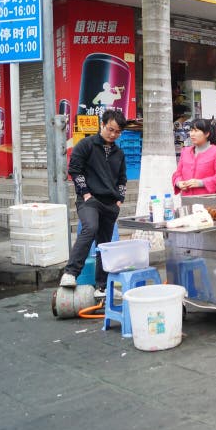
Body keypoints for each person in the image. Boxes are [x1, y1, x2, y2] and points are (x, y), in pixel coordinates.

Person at [59, 110, 128, 295]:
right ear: (102, 125)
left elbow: (122, 179)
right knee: (90, 228)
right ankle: (70, 273)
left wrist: (119, 201)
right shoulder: (86, 145)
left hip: (110, 204)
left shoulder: (119, 153)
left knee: (105, 244)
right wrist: (86, 193)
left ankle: (102, 287)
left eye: (117, 132)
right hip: (89, 200)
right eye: (110, 129)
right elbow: (74, 170)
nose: (113, 134)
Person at [172, 118, 216, 196]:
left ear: (207, 134)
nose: (192, 134)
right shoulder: (185, 151)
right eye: (191, 130)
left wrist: (201, 183)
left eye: (196, 131)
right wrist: (179, 183)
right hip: (187, 201)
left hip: (208, 201)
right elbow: (177, 174)